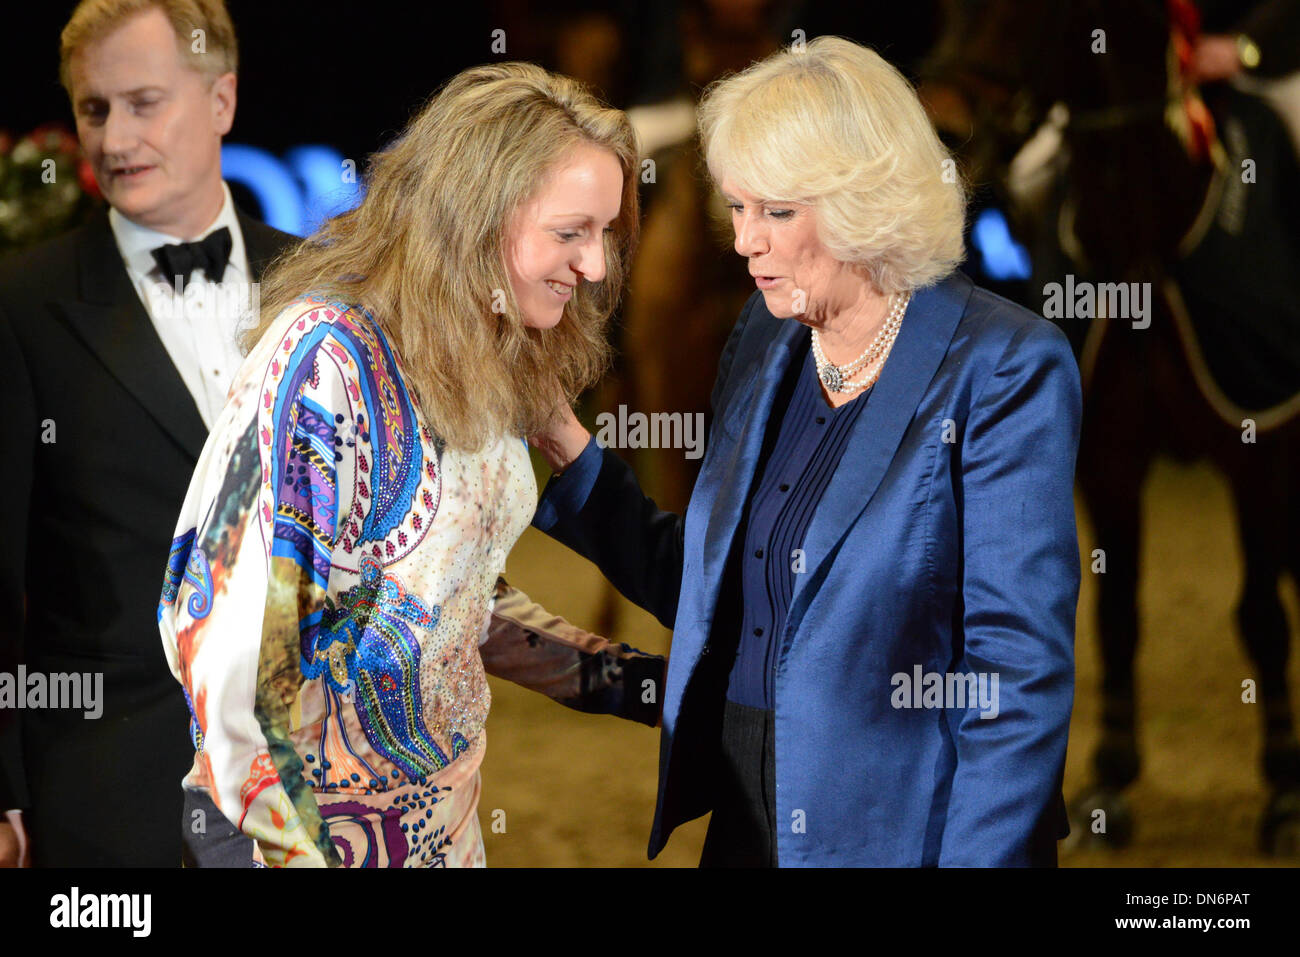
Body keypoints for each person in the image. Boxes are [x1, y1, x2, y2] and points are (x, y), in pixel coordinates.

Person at [528, 36, 1082, 866]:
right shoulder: (764, 336)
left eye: (777, 212)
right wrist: (569, 448)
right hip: (746, 836)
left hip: (905, 840)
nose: (746, 241)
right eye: (738, 208)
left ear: (870, 202)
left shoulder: (1004, 368)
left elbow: (1012, 684)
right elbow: (727, 590)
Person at [156, 61, 655, 867]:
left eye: (603, 234)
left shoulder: (487, 358)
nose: (595, 267)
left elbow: (441, 604)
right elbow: (228, 646)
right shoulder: (323, 362)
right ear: (478, 216)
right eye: (571, 233)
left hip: (439, 837)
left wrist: (644, 686)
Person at [0, 0, 296, 867]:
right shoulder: (21, 306)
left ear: (221, 102)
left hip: (309, 788)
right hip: (106, 795)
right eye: (95, 109)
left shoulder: (321, 290)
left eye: (145, 102)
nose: (116, 136)